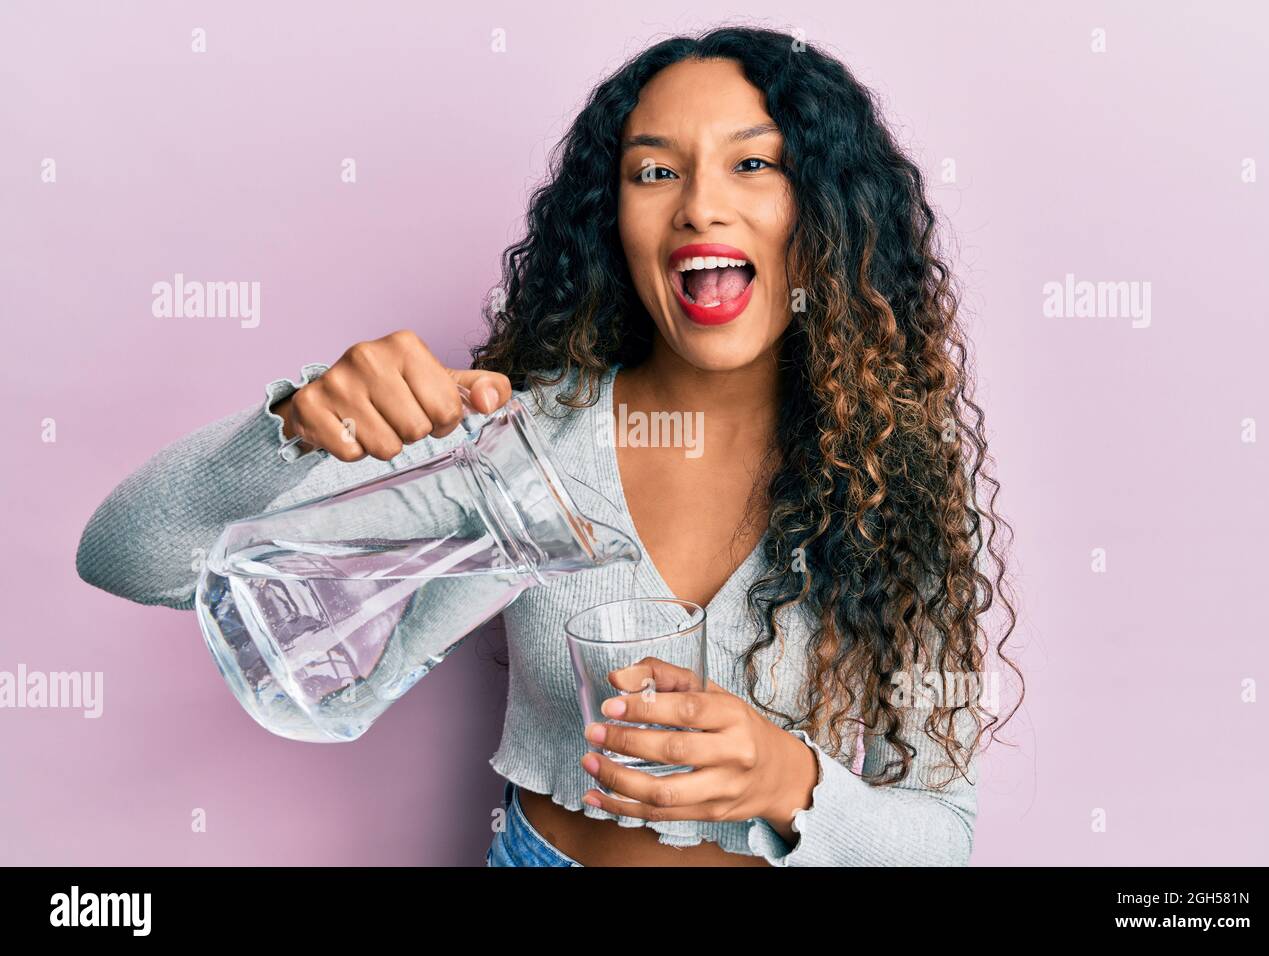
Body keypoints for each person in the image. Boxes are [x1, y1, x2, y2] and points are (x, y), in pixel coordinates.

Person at [77, 26, 1020, 867]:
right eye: (655, 171)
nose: (698, 208)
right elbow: (128, 557)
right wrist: (290, 432)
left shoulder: (895, 485)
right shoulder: (516, 445)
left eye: (753, 165)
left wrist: (788, 782)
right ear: (613, 220)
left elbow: (943, 835)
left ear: (827, 216)